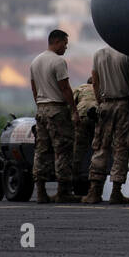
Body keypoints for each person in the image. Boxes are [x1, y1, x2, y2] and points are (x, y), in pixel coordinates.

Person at [84, 43, 129, 205]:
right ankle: (116, 192)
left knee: (101, 146)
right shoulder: (128, 54)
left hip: (105, 105)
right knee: (122, 148)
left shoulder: (98, 54)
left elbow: (95, 82)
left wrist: (100, 102)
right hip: (123, 105)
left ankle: (94, 192)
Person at [29, 29, 79, 204]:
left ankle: (41, 192)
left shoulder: (35, 62)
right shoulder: (58, 62)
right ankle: (63, 191)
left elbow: (34, 88)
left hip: (41, 109)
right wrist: (74, 110)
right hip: (57, 110)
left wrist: (40, 105)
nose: (66, 47)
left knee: (41, 151)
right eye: (64, 43)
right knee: (63, 150)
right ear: (56, 42)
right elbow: (65, 88)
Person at [71, 78, 98, 193]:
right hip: (97, 116)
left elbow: (70, 104)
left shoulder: (80, 88)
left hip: (82, 115)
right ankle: (95, 181)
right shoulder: (101, 88)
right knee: (98, 149)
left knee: (78, 150)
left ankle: (74, 178)